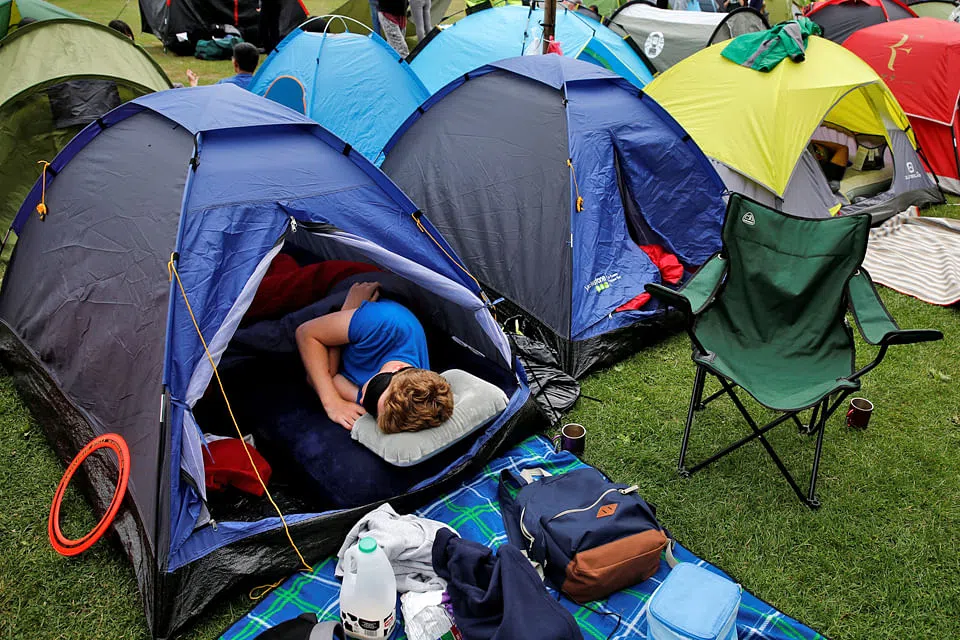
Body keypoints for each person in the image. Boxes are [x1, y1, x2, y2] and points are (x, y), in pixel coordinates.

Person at [295, 282, 454, 432]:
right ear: (398, 368)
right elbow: (305, 333)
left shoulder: (388, 397)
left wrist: (344, 314)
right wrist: (332, 403)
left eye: (370, 407)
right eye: (372, 394)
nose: (362, 401)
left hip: (346, 320)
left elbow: (317, 377)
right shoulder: (385, 324)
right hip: (362, 295)